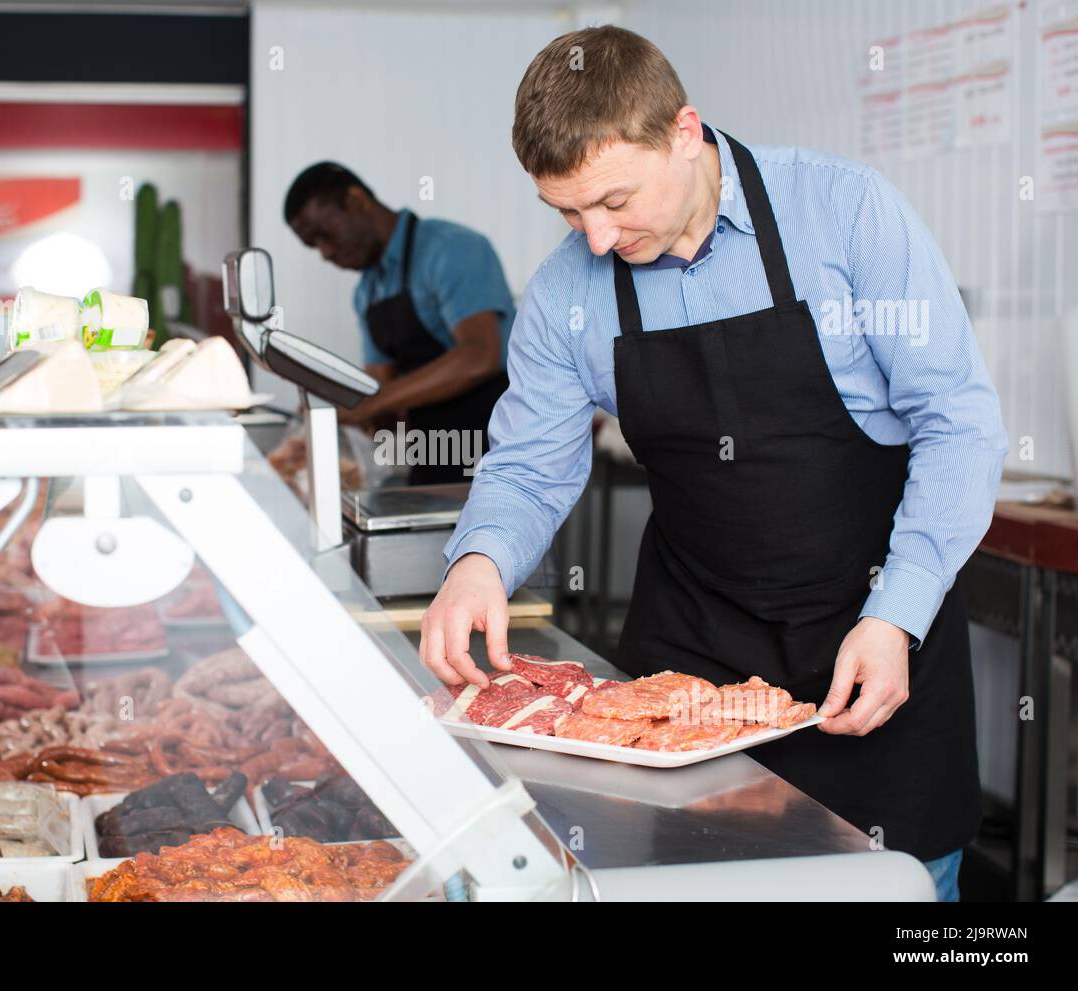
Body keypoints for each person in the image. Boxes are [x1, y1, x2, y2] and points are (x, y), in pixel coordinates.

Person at [419, 26, 1007, 902]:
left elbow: (958, 422)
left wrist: (900, 613)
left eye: (614, 201)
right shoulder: (564, 294)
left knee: (897, 894)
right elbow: (532, 465)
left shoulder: (844, 215)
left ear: (684, 132)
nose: (593, 237)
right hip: (688, 664)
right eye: (567, 212)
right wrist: (478, 561)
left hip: (875, 636)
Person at [285, 162, 514, 484]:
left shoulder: (451, 249)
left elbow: (479, 356)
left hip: (494, 448)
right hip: (434, 453)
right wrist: (337, 409)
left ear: (356, 201)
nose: (324, 253)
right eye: (313, 246)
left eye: (326, 235)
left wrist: (367, 404)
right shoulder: (367, 292)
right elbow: (379, 390)